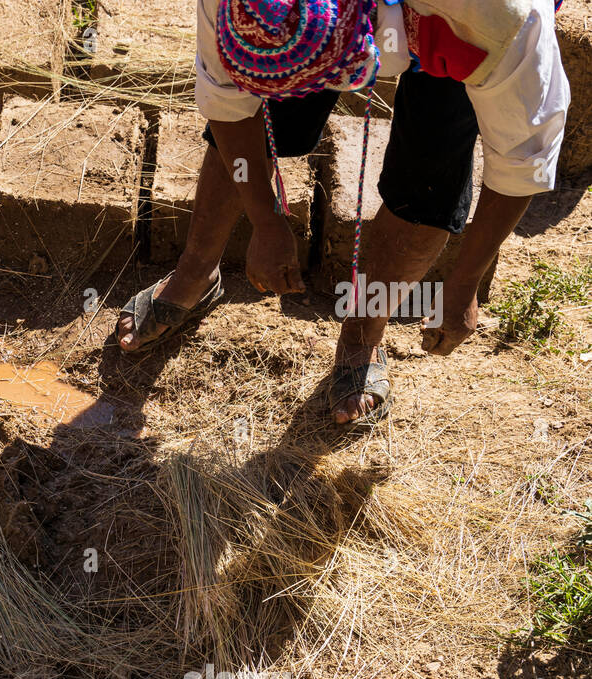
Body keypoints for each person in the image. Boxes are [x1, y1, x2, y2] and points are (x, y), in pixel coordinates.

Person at [115, 0, 569, 424]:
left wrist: (465, 280)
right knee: (267, 121)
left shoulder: (501, 20)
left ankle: (362, 336)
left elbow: (520, 163)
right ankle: (196, 272)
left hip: (458, 27)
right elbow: (231, 110)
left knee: (428, 175)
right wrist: (266, 221)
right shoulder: (239, 6)